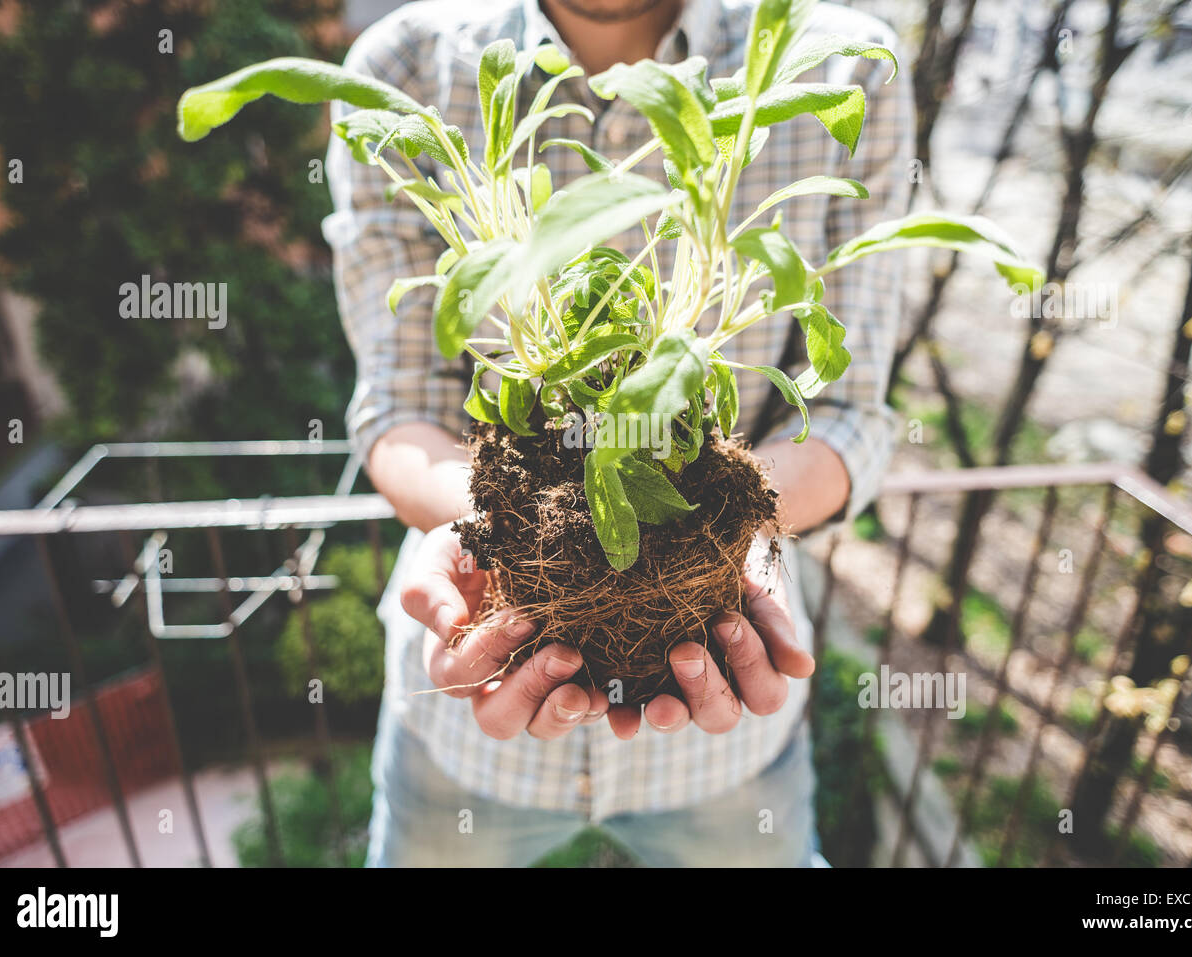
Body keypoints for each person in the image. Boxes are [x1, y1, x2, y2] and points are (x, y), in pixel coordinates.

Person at [323, 0, 912, 867]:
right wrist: (483, 531)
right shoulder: (404, 68)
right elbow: (400, 401)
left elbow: (848, 414)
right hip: (466, 738)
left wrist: (724, 531)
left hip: (725, 750)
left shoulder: (840, 64)